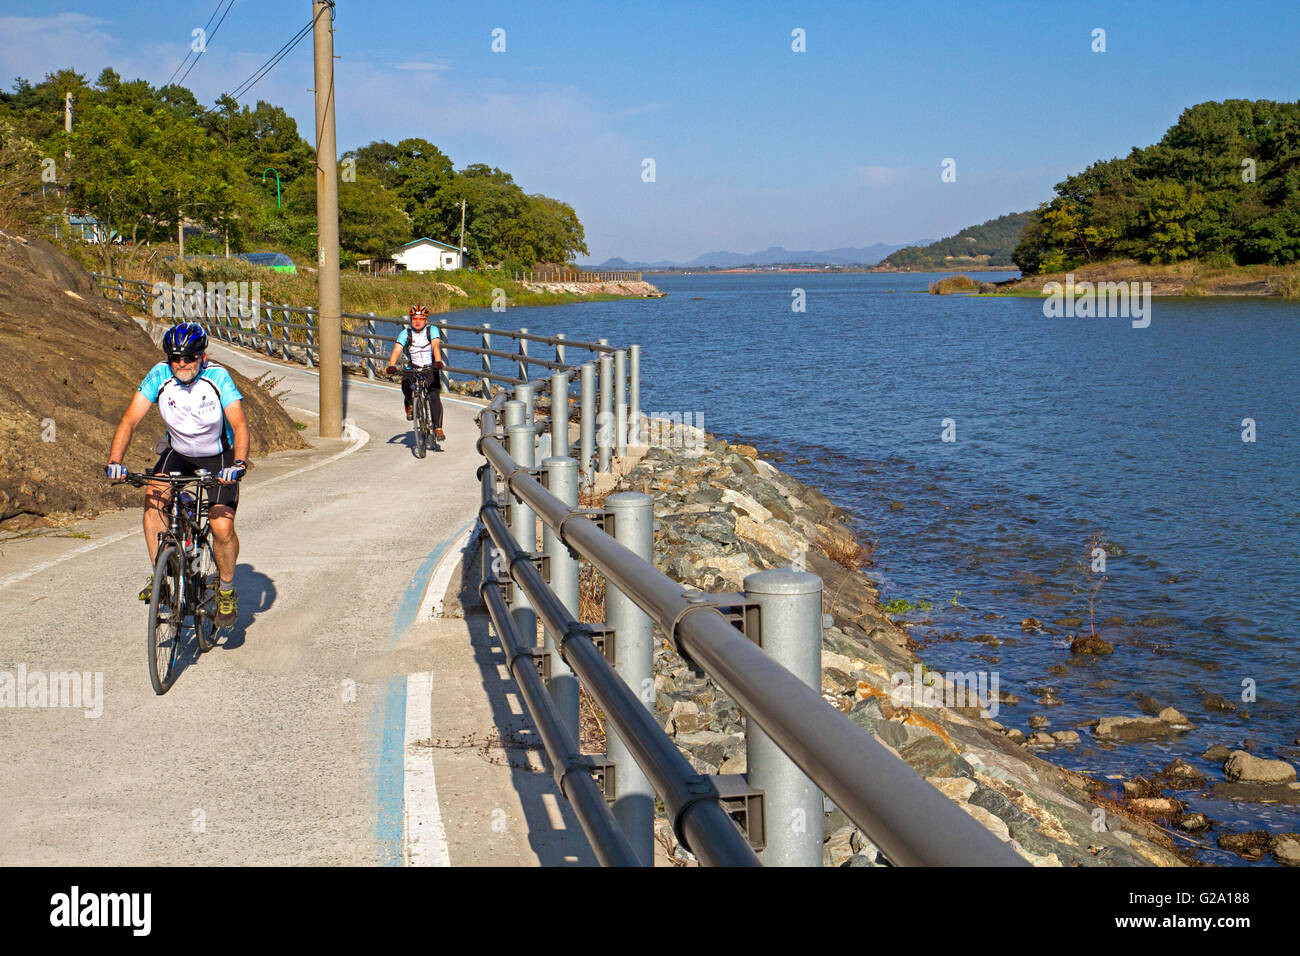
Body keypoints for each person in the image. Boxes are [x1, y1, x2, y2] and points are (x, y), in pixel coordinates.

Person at [105, 321, 249, 629]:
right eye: (175, 358)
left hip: (218, 456)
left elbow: (239, 425)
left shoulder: (217, 377)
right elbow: (130, 420)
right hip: (179, 452)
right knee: (154, 500)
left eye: (189, 357)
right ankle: (163, 581)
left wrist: (237, 463)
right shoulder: (159, 376)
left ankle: (225, 589)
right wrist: (115, 460)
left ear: (202, 357)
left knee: (221, 525)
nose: (181, 364)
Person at [386, 304, 445, 440]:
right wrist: (391, 366)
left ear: (426, 320)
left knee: (434, 397)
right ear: (411, 320)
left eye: (420, 318)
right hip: (413, 366)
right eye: (414, 319)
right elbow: (396, 350)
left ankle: (438, 428)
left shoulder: (432, 330)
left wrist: (437, 362)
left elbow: (435, 346)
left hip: (430, 366)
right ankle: (411, 404)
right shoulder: (406, 333)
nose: (417, 321)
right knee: (405, 384)